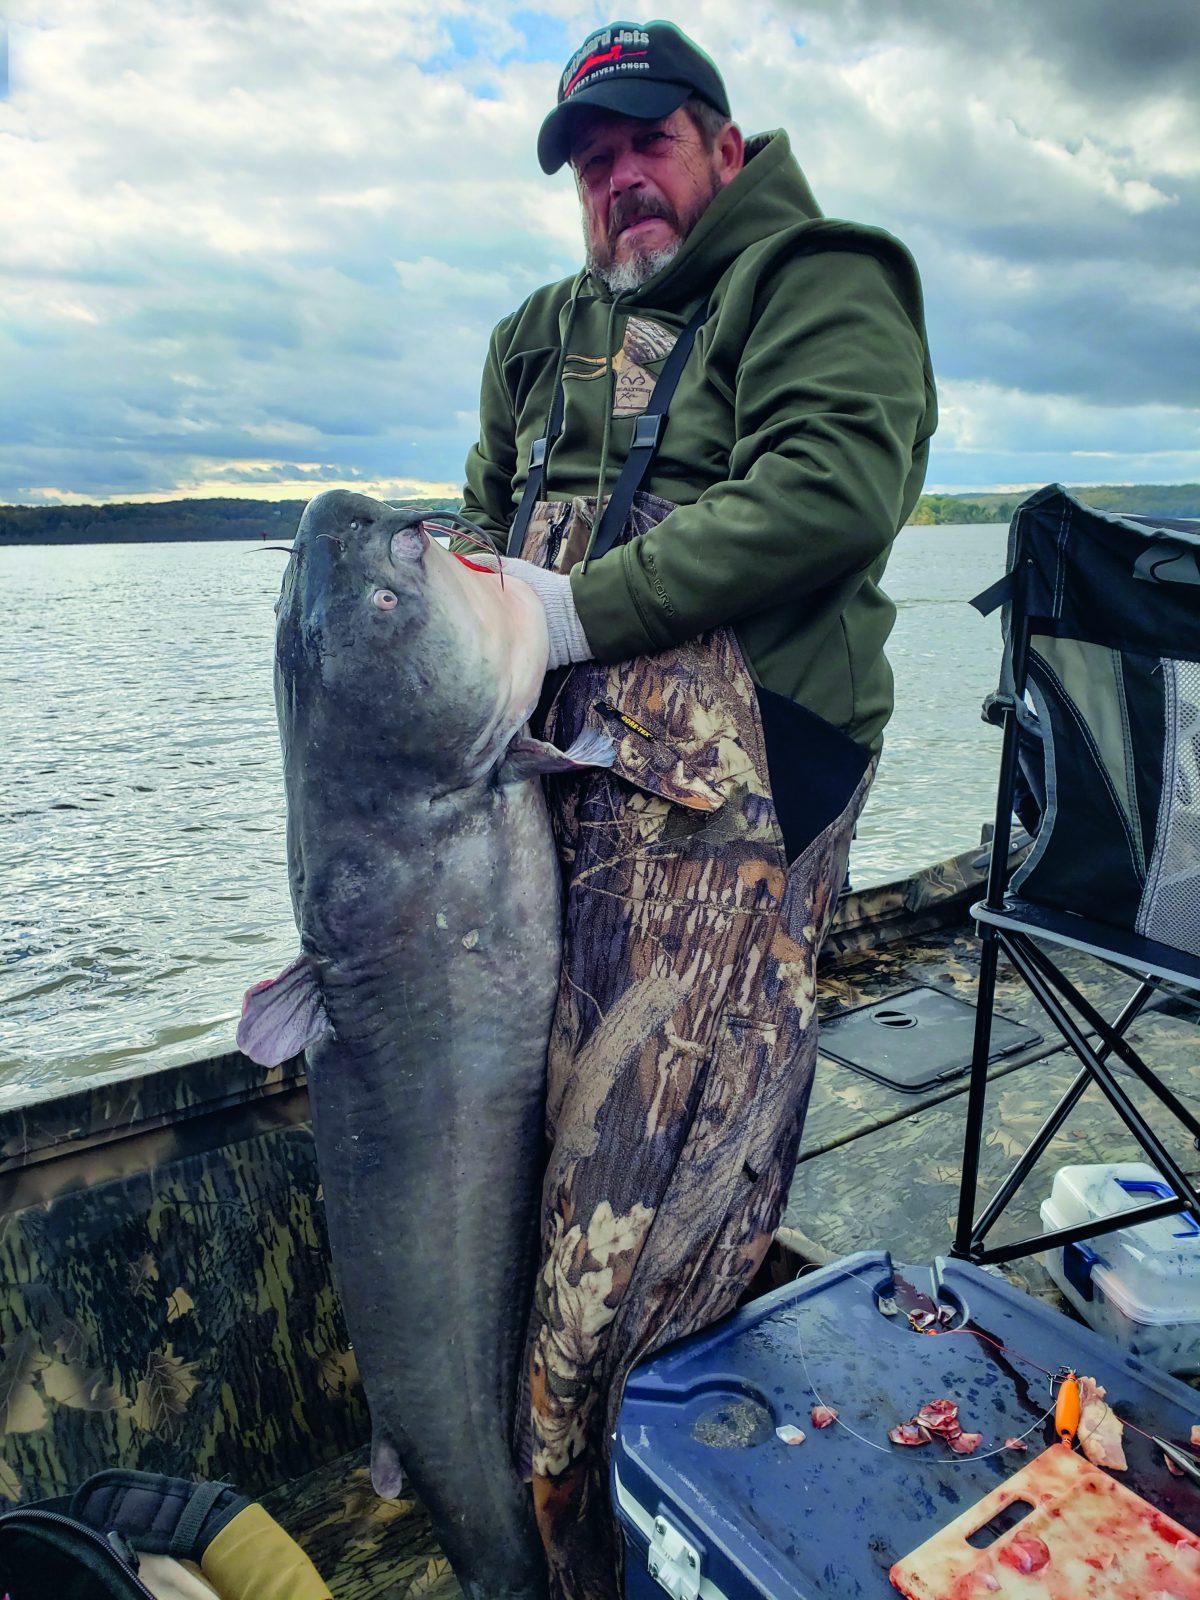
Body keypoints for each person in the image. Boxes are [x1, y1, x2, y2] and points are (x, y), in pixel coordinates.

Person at [459, 19, 936, 1598]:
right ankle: (564, 1538)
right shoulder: (535, 340)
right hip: (552, 854)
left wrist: (570, 613)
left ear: (722, 145)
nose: (619, 185)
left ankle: (643, 1551)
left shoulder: (817, 277)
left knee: (656, 1250)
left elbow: (828, 492)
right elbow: (478, 542)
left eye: (645, 144)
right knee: (534, 1220)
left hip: (722, 871)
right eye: (590, 167)